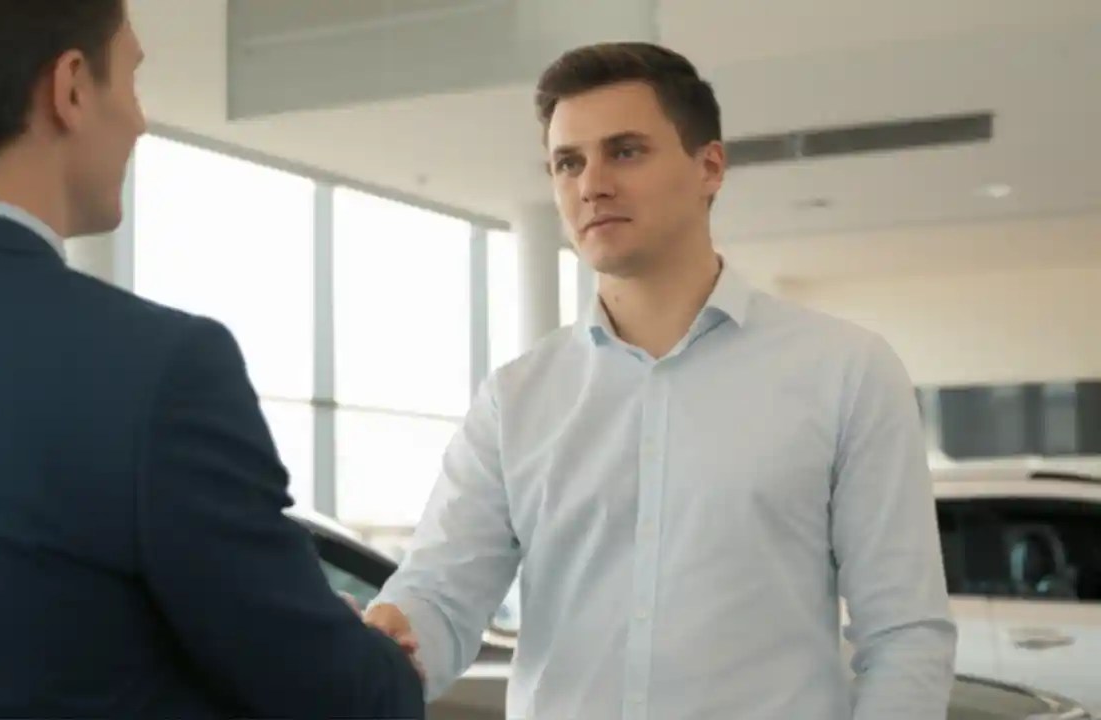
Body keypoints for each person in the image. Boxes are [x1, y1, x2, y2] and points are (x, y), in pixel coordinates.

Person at [0, 2, 423, 718]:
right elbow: (334, 697)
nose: (139, 119)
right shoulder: (161, 371)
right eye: (132, 80)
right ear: (71, 87)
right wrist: (384, 664)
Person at [364, 42, 956, 719]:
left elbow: (905, 635)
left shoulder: (845, 372)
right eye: (568, 162)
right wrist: (390, 636)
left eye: (625, 151)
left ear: (709, 166)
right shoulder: (516, 398)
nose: (591, 184)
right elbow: (440, 595)